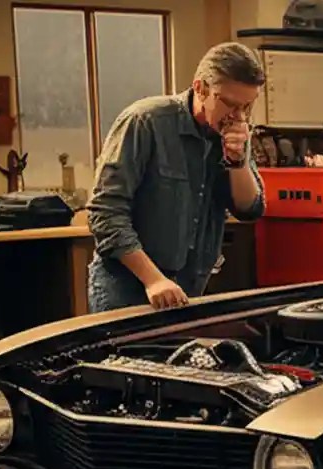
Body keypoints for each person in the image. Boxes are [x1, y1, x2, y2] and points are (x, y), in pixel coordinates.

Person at [86, 42, 267, 312]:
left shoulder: (234, 131)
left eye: (248, 106)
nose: (238, 116)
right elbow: (105, 214)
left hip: (188, 290)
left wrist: (237, 160)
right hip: (127, 287)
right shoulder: (146, 121)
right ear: (200, 88)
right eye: (229, 104)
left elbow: (249, 208)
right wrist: (154, 280)